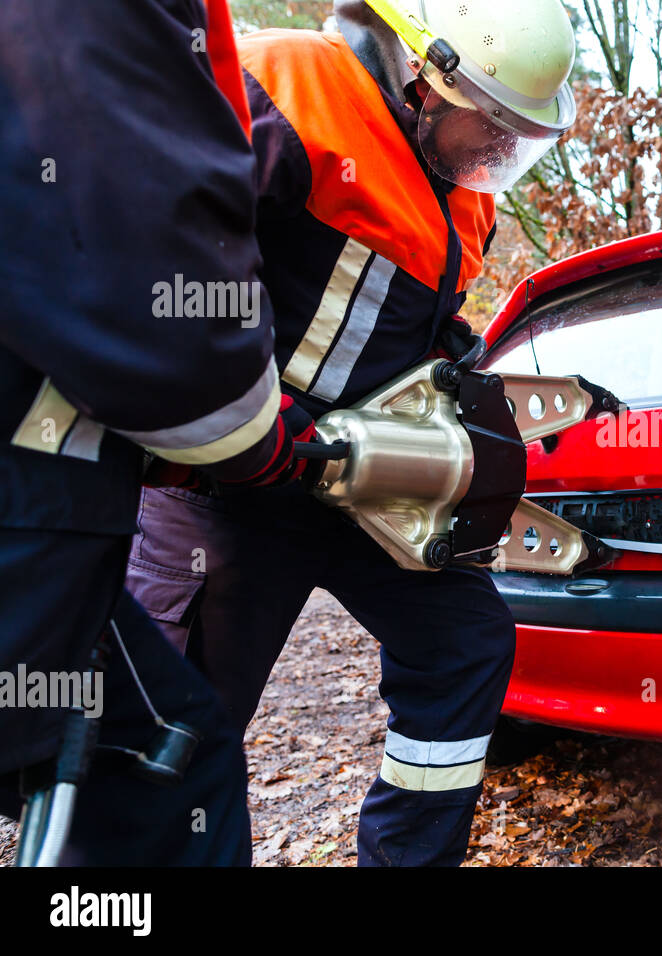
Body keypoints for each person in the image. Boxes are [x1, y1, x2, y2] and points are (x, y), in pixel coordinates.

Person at [126, 0, 577, 865]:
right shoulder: (285, 86)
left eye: (517, 138)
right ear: (424, 78)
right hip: (232, 480)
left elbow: (407, 320)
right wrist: (255, 423)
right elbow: (160, 259)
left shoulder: (464, 190)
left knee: (463, 644)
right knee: (177, 726)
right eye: (491, 127)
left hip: (365, 486)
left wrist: (461, 371)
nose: (497, 154)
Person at [0, 0, 314, 863]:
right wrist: (264, 440)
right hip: (32, 496)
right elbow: (164, 306)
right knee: (171, 773)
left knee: (160, 756)